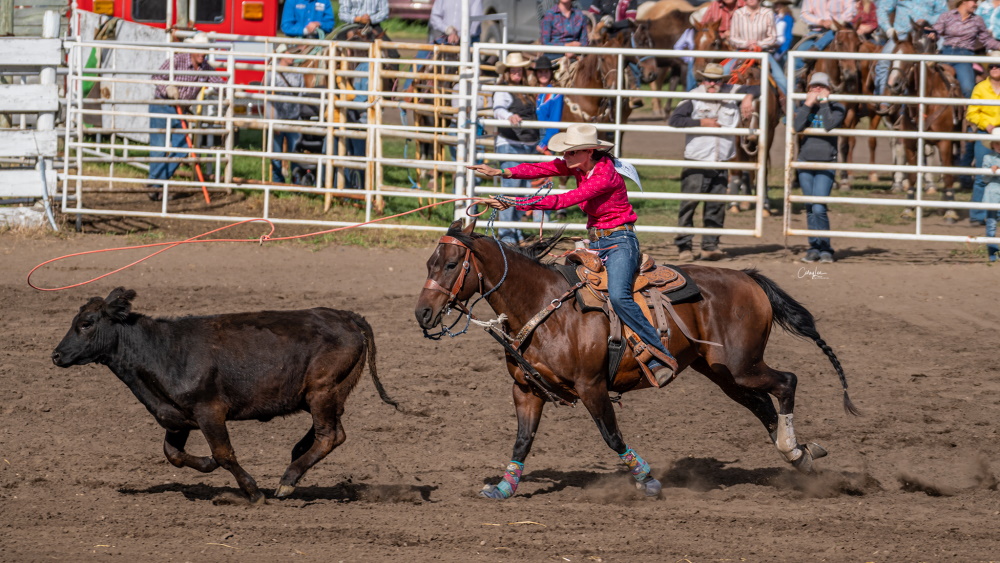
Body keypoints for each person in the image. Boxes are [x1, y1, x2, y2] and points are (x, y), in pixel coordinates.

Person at [467, 124, 680, 386]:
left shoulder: (605, 176)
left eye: (570, 152)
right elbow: (541, 168)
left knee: (619, 296)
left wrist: (513, 202)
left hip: (620, 241)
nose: (564, 157)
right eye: (565, 152)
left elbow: (564, 200)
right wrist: (502, 172)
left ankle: (659, 353)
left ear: (588, 152)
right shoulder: (580, 167)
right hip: (597, 241)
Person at [667, 63, 744, 262]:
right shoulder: (693, 96)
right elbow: (675, 120)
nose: (712, 83)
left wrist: (749, 98)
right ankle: (684, 245)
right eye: (708, 79)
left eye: (716, 80)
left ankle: (710, 245)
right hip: (697, 159)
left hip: (721, 159)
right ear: (702, 80)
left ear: (723, 81)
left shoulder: (732, 94)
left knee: (716, 204)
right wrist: (701, 122)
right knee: (689, 203)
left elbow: (756, 89)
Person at [147, 33, 225, 201]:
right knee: (159, 148)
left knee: (182, 146)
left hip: (180, 109)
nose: (202, 54)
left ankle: (156, 183)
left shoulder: (205, 68)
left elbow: (219, 84)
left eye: (205, 50)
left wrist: (232, 90)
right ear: (192, 49)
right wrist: (168, 87)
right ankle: (156, 186)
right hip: (162, 105)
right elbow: (157, 76)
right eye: (200, 50)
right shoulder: (178, 60)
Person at [794, 72, 846, 263]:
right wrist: (808, 104)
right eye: (813, 86)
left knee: (818, 207)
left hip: (826, 162)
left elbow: (829, 125)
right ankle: (813, 247)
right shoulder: (804, 106)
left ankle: (826, 248)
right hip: (805, 162)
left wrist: (823, 103)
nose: (817, 90)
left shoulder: (838, 107)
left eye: (821, 86)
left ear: (829, 90)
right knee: (810, 207)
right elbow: (796, 126)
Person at [492, 53, 540, 245]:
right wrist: (509, 116)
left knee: (523, 191)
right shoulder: (504, 89)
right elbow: (498, 109)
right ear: (507, 72)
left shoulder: (526, 91)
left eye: (519, 69)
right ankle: (506, 234)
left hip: (526, 145)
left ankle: (515, 230)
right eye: (513, 70)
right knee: (512, 190)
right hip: (511, 143)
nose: (516, 73)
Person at [874, 0, 948, 113]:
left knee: (942, 59)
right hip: (902, 35)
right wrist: (888, 29)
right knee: (884, 60)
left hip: (926, 34)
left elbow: (944, 13)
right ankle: (884, 100)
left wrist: (929, 22)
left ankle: (943, 102)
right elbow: (882, 9)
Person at [929, 0, 1000, 99]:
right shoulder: (946, 16)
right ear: (964, 1)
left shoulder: (977, 20)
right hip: (945, 53)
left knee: (968, 88)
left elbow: (987, 40)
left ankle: (967, 108)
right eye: (974, 1)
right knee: (926, 80)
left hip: (964, 56)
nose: (976, 5)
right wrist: (932, 34)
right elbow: (936, 30)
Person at [966, 55, 1000, 226]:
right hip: (986, 133)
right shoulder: (980, 88)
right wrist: (986, 125)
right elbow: (972, 113)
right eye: (991, 65)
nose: (994, 68)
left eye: (997, 65)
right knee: (982, 174)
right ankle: (977, 215)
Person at [728, 0, 788, 96]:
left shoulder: (767, 13)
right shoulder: (738, 13)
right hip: (741, 53)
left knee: (783, 82)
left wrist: (758, 44)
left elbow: (772, 37)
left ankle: (788, 105)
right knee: (723, 72)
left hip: (762, 53)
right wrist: (746, 44)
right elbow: (733, 38)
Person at [264, 44, 304, 184]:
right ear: (282, 54)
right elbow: (268, 99)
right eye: (290, 53)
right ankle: (277, 183)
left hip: (294, 119)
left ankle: (296, 183)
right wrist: (272, 120)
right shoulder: (271, 73)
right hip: (277, 119)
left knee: (295, 153)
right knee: (275, 155)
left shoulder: (298, 72)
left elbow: (302, 95)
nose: (293, 56)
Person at [793, 0, 857, 76]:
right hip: (816, 32)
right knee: (799, 56)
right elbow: (805, 13)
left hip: (839, 31)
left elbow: (851, 12)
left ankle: (816, 47)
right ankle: (796, 81)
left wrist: (835, 23)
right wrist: (821, 22)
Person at [540, 0, 589, 65]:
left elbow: (584, 42)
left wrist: (575, 51)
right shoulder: (549, 15)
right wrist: (567, 46)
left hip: (576, 56)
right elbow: (545, 43)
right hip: (554, 57)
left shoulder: (579, 15)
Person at [532, 57, 564, 156]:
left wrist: (544, 143)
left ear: (551, 72)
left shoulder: (556, 94)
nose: (543, 74)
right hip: (530, 134)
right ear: (536, 73)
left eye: (546, 71)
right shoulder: (532, 92)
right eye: (540, 72)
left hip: (546, 135)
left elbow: (555, 121)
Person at [981, 139, 1000, 261]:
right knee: (991, 224)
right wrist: (991, 171)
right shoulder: (988, 158)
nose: (999, 146)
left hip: (994, 193)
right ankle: (993, 253)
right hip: (993, 195)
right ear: (992, 144)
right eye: (997, 143)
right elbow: (984, 179)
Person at [772, 0, 796, 67]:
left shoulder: (788, 18)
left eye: (779, 4)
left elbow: (788, 38)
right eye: (776, 4)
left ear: (784, 5)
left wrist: (779, 53)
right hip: (771, 47)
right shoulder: (772, 16)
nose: (777, 6)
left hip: (781, 50)